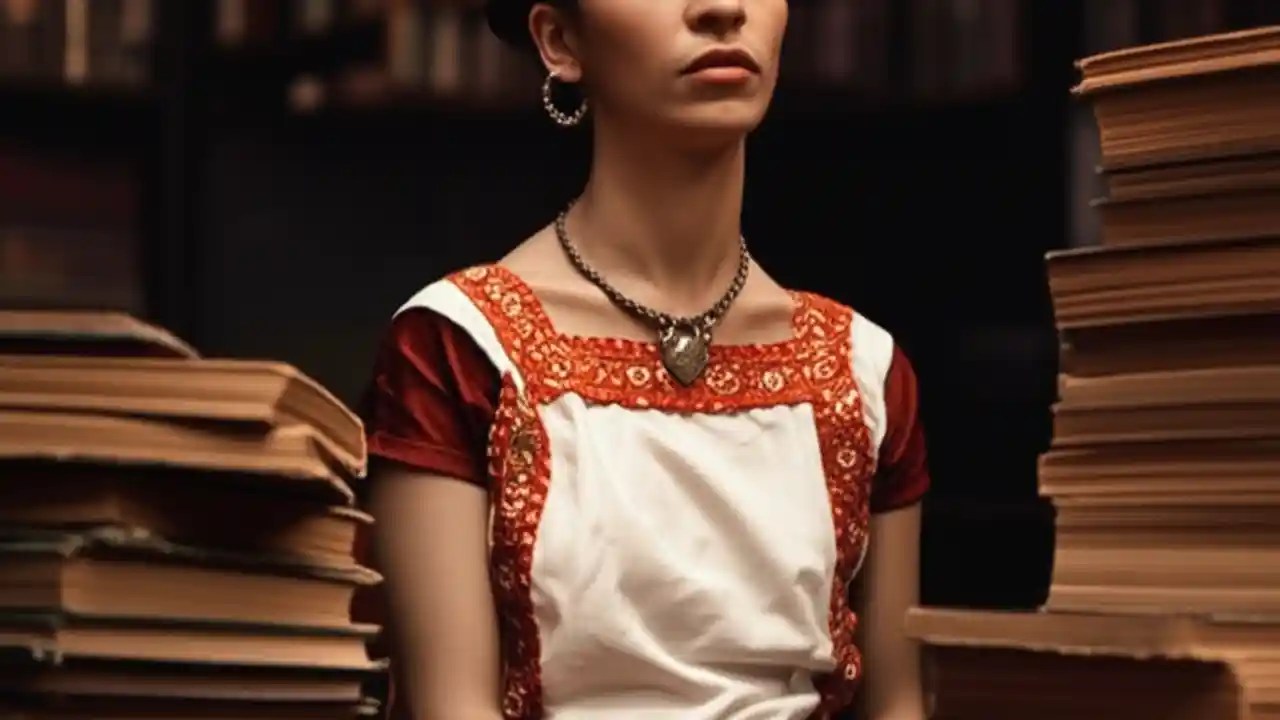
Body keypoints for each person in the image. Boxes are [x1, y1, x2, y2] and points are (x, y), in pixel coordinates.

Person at [357, 0, 930, 717]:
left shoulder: (864, 371)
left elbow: (898, 704)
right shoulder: (461, 347)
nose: (722, 8)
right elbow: (451, 706)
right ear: (559, 40)